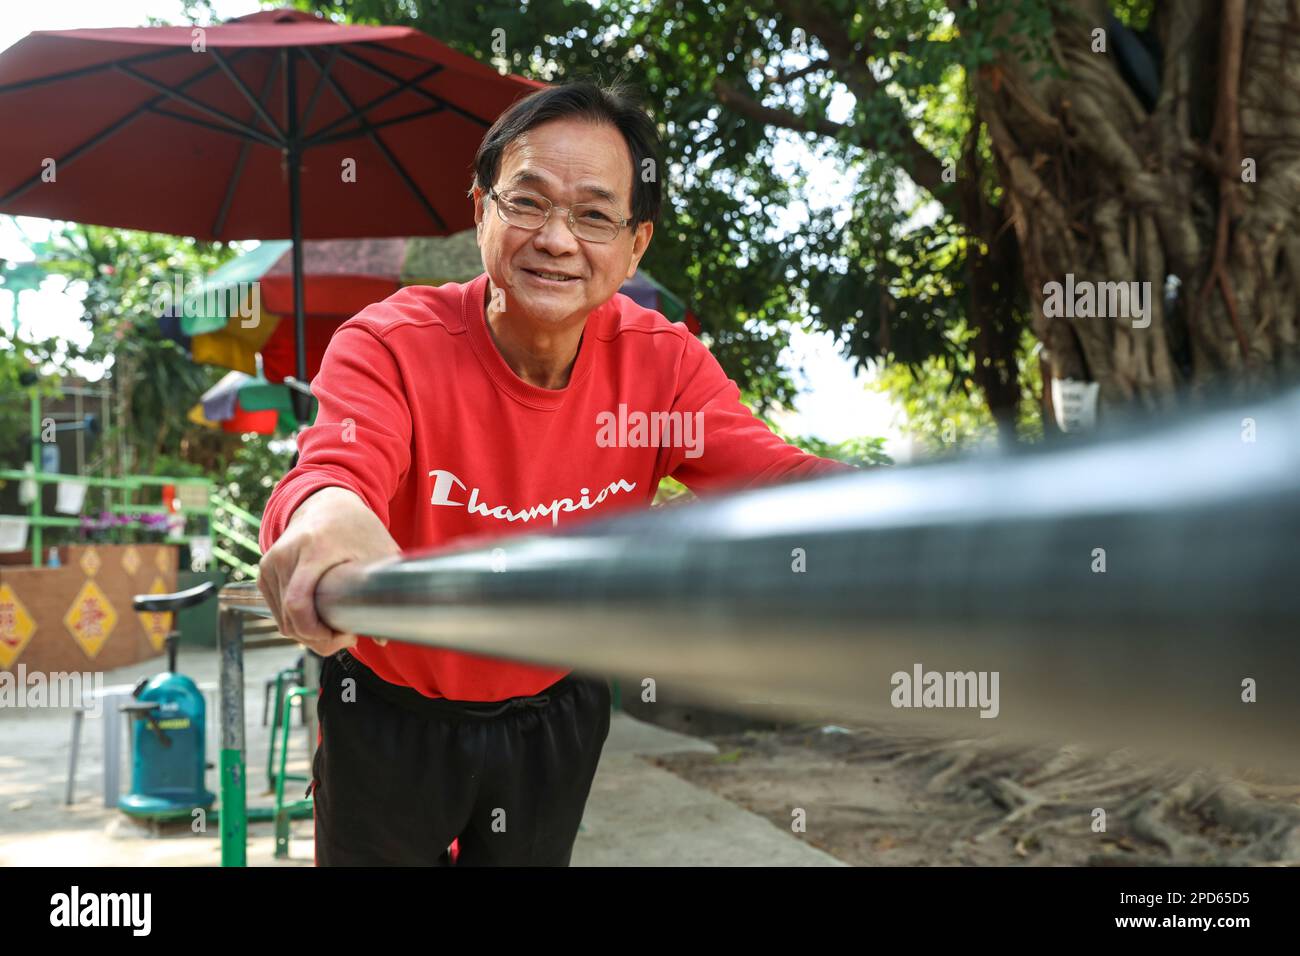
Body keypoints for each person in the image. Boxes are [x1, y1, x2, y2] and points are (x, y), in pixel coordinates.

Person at [256, 79, 853, 866]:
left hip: (554, 706)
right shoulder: (393, 343)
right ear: (480, 210)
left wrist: (901, 510)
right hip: (389, 708)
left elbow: (769, 476)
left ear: (635, 245)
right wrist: (328, 517)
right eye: (527, 202)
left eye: (595, 215)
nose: (556, 239)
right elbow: (336, 468)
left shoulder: (660, 364)